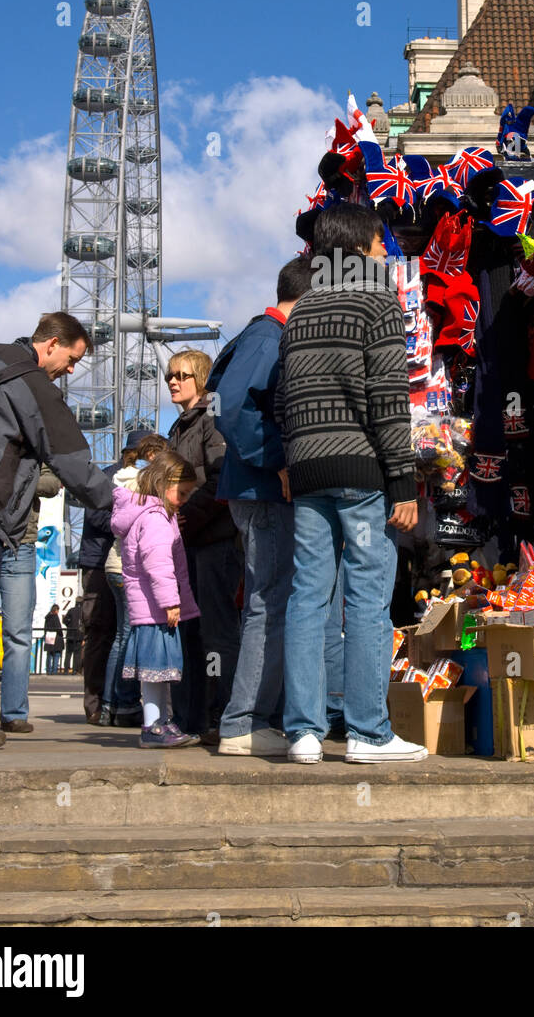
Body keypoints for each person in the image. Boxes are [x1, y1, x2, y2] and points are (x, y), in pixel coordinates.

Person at [275, 203, 426, 765]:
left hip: (309, 472)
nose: (387, 248)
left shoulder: (306, 306)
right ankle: (368, 733)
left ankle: (304, 733)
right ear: (362, 245)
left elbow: (281, 398)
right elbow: (388, 397)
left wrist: (292, 461)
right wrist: (404, 482)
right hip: (361, 471)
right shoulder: (377, 299)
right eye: (381, 240)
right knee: (366, 600)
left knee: (307, 597)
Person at [0, 312, 113, 750]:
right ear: (51, 344)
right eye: (72, 359)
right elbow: (73, 462)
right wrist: (122, 504)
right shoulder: (33, 384)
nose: (70, 371)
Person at [210, 256, 314, 756]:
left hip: (260, 489)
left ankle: (255, 716)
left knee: (270, 600)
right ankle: (244, 720)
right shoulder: (267, 338)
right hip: (264, 491)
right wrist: (278, 460)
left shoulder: (262, 336)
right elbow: (229, 406)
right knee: (269, 601)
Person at [167, 350, 243, 744]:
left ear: (200, 377)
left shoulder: (212, 420)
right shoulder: (179, 428)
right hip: (189, 543)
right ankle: (192, 718)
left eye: (181, 375)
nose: (173, 382)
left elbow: (220, 479)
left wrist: (185, 515)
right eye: (168, 376)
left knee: (215, 634)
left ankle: (220, 715)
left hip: (213, 542)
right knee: (190, 633)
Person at [111, 450, 201, 747]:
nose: (185, 499)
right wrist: (170, 601)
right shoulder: (156, 519)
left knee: (158, 671)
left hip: (149, 609)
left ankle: (160, 722)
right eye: (182, 492)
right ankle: (153, 725)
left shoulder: (151, 515)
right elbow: (158, 563)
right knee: (155, 672)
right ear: (163, 484)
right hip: (155, 611)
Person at [0, 464, 62, 734]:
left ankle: (14, 714)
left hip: (20, 544)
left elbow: (53, 482)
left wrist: (16, 479)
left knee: (19, 634)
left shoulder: (31, 441)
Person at [99, 433, 170, 726]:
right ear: (153, 455)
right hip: (133, 567)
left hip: (114, 564)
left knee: (121, 635)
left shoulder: (118, 479)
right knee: (130, 635)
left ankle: (109, 705)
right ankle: (125, 702)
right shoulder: (145, 483)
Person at [63, 599, 84, 675]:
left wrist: (69, 625)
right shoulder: (83, 611)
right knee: (77, 654)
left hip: (70, 634)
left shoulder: (71, 610)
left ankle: (66, 669)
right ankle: (75, 670)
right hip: (79, 634)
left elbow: (65, 620)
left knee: (68, 653)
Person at [44, 605, 64, 674]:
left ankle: (48, 670)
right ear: (56, 610)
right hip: (56, 638)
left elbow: (45, 628)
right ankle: (54, 671)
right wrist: (61, 635)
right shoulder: (55, 617)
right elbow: (58, 628)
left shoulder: (47, 617)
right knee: (56, 655)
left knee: (49, 654)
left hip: (49, 637)